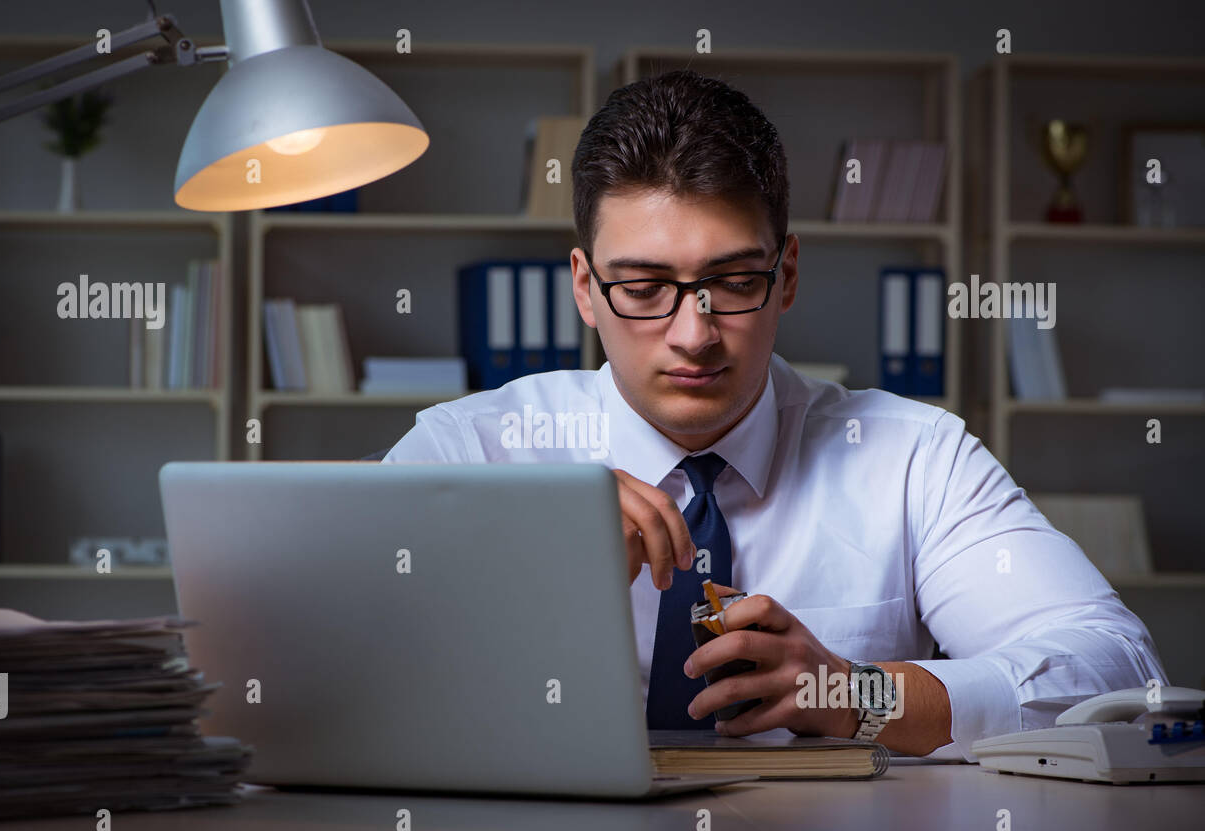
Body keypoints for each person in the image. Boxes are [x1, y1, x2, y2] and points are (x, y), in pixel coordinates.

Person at [381, 69, 1167, 758]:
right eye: (645, 288)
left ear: (786, 274)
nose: (694, 335)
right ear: (585, 288)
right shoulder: (468, 452)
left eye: (731, 280)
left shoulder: (915, 458)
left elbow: (1120, 672)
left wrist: (859, 695)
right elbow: (322, 674)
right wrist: (516, 564)